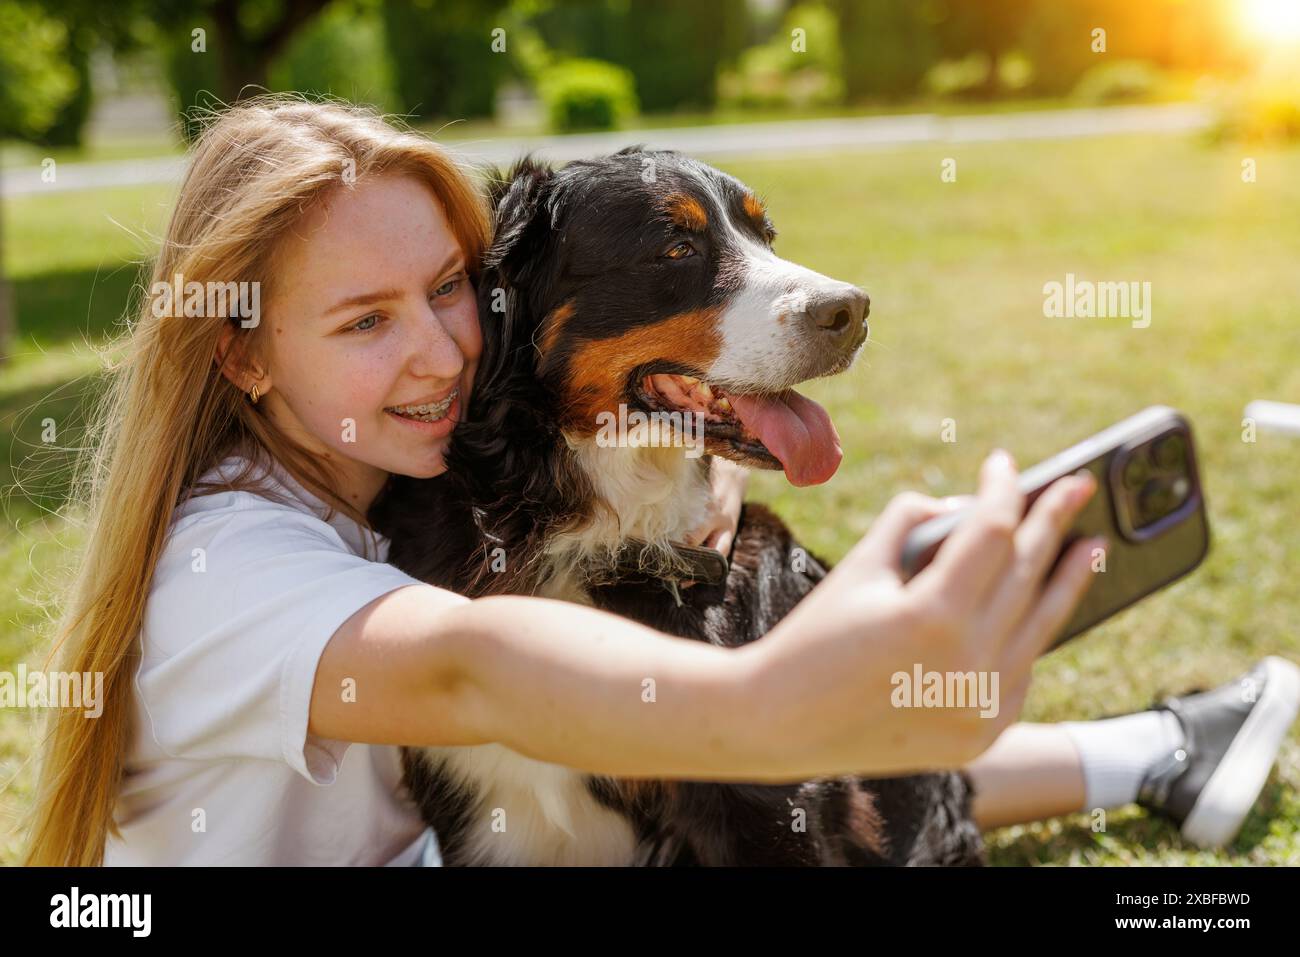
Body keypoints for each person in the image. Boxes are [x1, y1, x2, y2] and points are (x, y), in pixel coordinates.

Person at [23, 97, 1298, 866]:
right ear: (239, 348)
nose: (440, 350)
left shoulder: (413, 475)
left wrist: (677, 459)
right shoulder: (227, 574)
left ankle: (1160, 749)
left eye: (451, 291)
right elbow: (471, 671)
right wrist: (778, 688)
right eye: (362, 322)